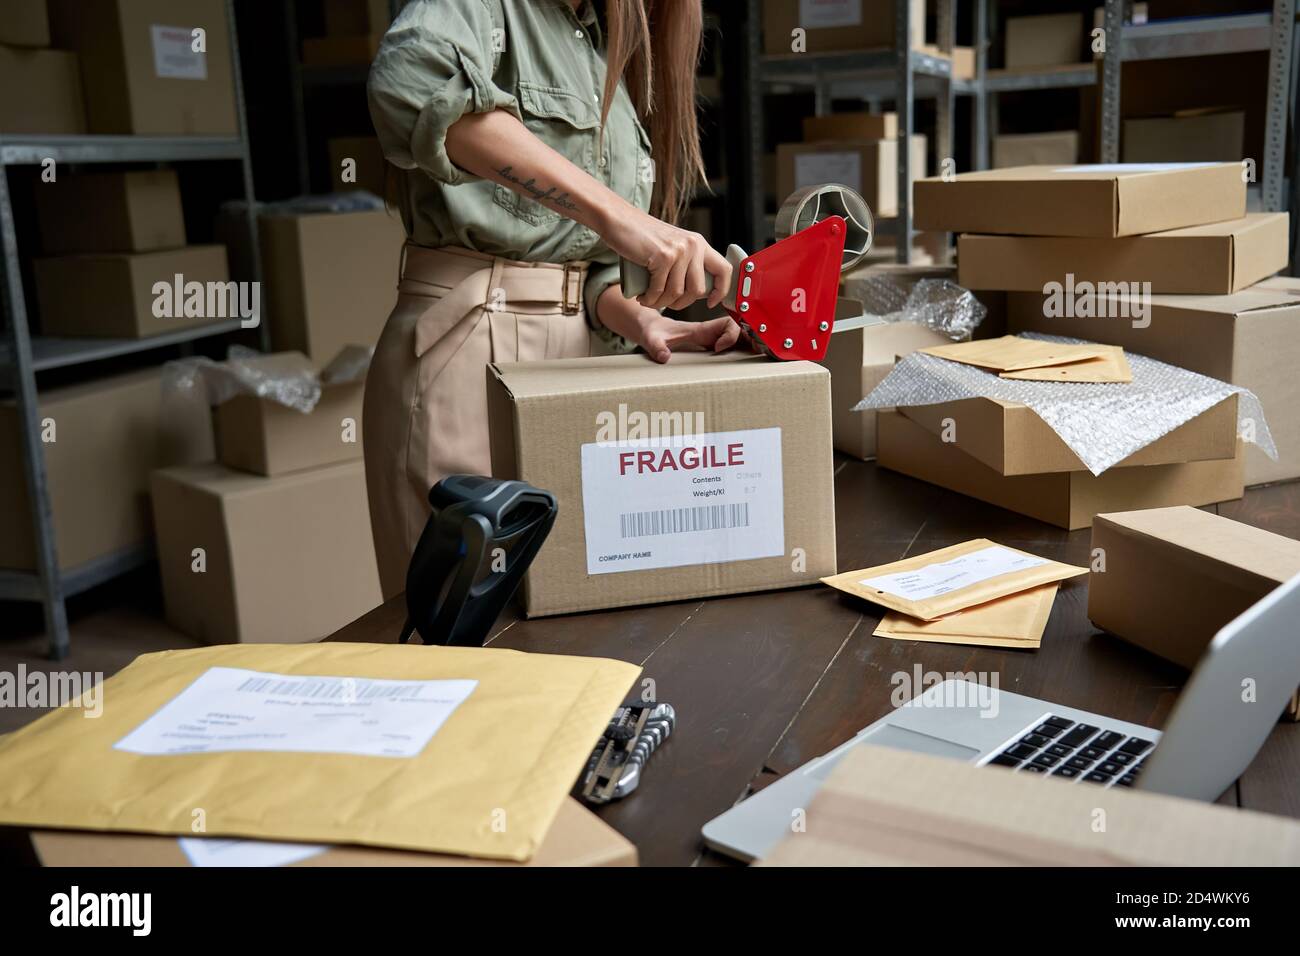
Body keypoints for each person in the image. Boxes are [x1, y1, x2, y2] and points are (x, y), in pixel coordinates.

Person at [363, 0, 738, 597]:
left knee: (573, 607)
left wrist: (639, 319)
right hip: (474, 341)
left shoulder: (591, 47)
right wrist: (618, 216)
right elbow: (409, 82)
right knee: (470, 630)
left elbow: (571, 258)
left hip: (580, 358)